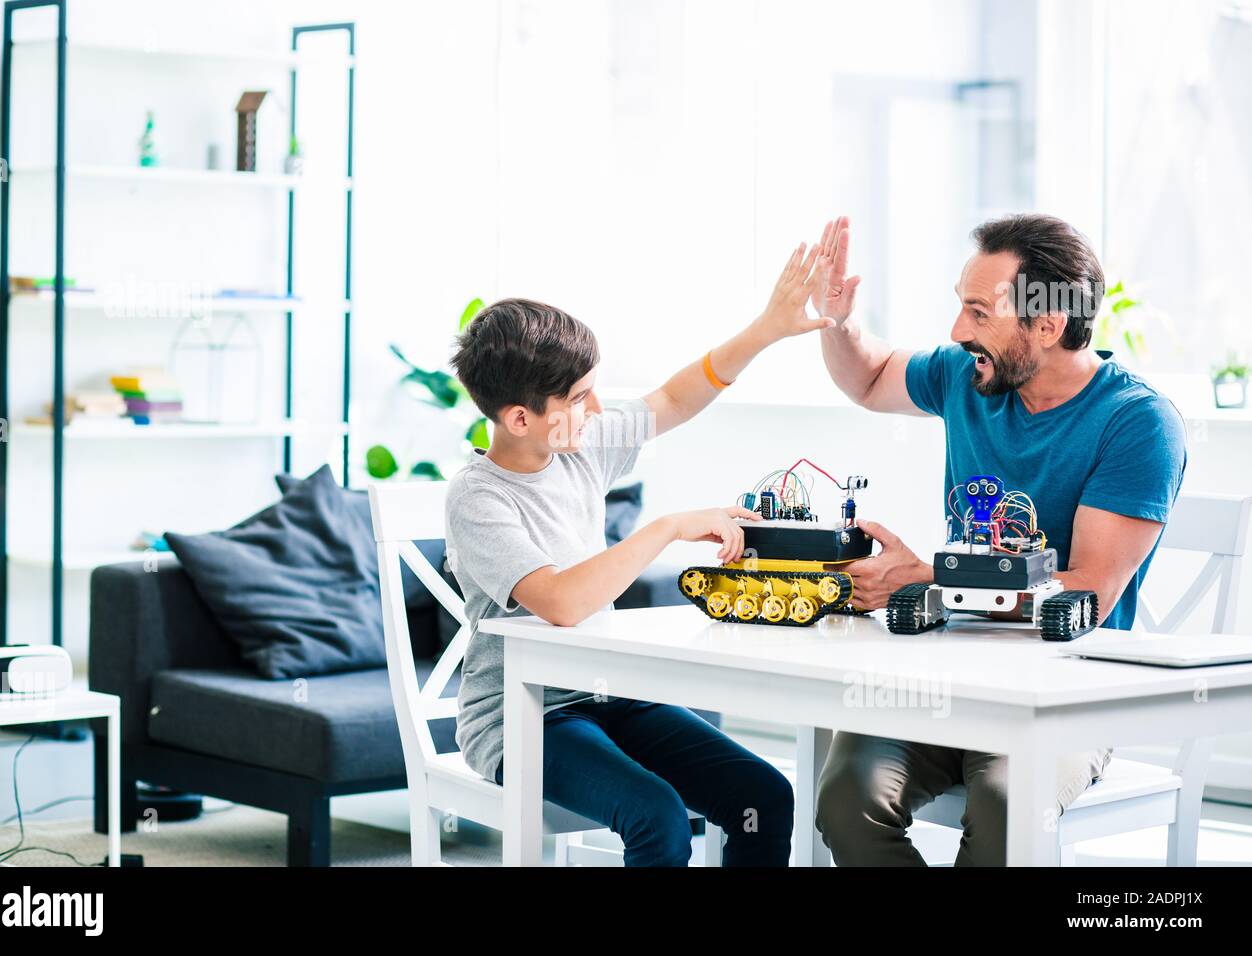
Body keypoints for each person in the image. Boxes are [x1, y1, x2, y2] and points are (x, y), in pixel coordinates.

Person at [809, 213, 1186, 866]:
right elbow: (868, 380)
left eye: (978, 313)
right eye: (962, 307)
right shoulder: (969, 376)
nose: (958, 332)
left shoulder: (1136, 424)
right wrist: (839, 322)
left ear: (1047, 324)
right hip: (948, 675)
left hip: (1067, 696)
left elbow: (1087, 590)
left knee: (1008, 811)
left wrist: (930, 576)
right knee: (847, 800)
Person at [444, 244, 833, 865]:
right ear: (520, 417)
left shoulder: (579, 445)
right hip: (527, 716)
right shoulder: (478, 497)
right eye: (578, 398)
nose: (596, 410)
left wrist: (766, 330)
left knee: (764, 795)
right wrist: (668, 527)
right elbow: (562, 603)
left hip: (613, 692)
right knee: (656, 813)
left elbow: (674, 398)